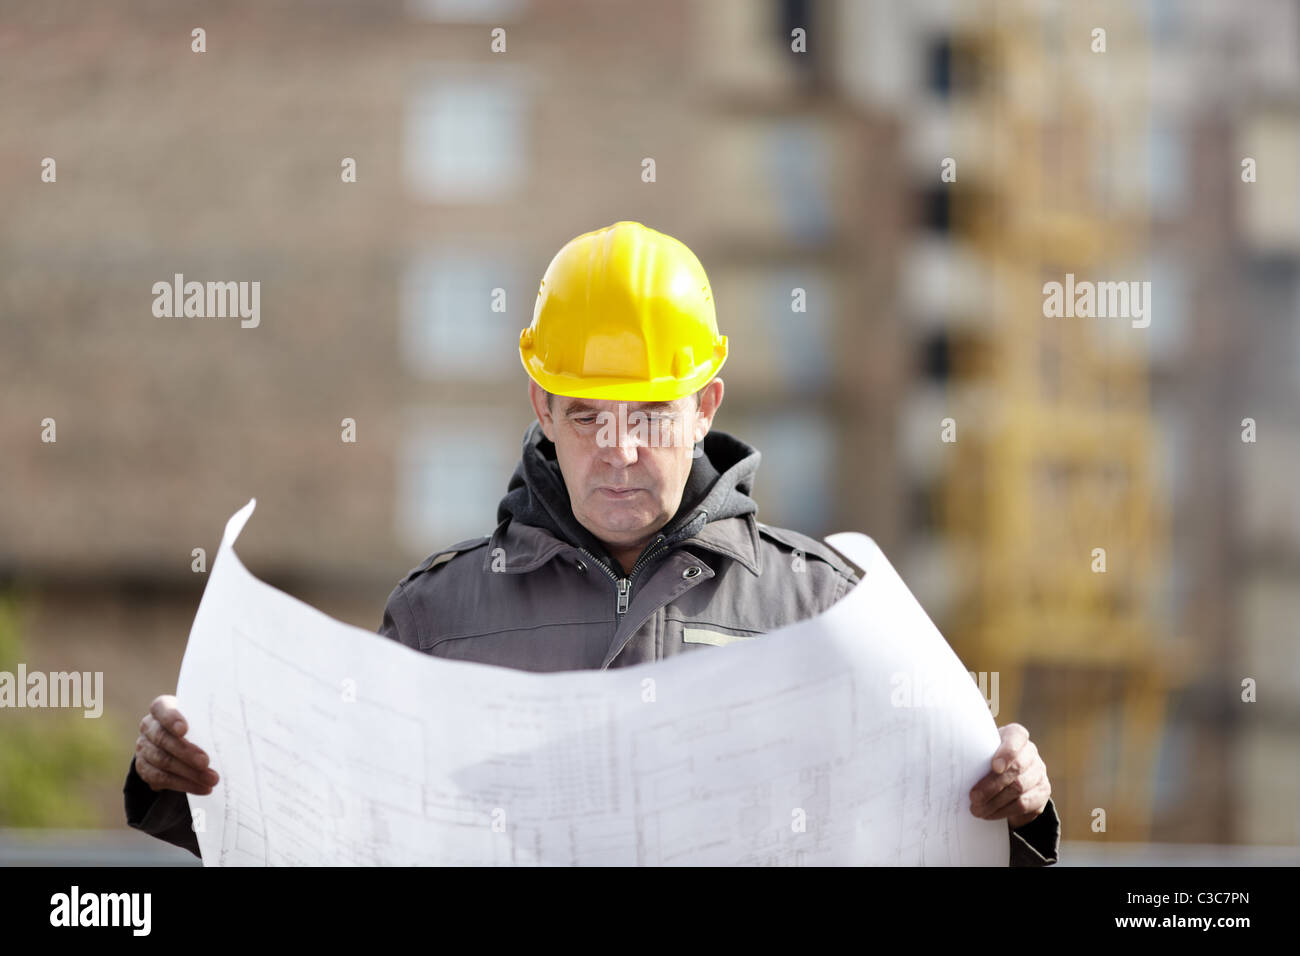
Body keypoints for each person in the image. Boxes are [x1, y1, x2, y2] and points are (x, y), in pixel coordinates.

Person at [124, 221, 1059, 865]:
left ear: (704, 409)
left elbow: (922, 833)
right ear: (541, 407)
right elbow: (332, 826)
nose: (618, 451)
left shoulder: (825, 607)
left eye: (650, 414)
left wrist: (1015, 806)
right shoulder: (437, 614)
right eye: (585, 416)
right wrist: (184, 778)